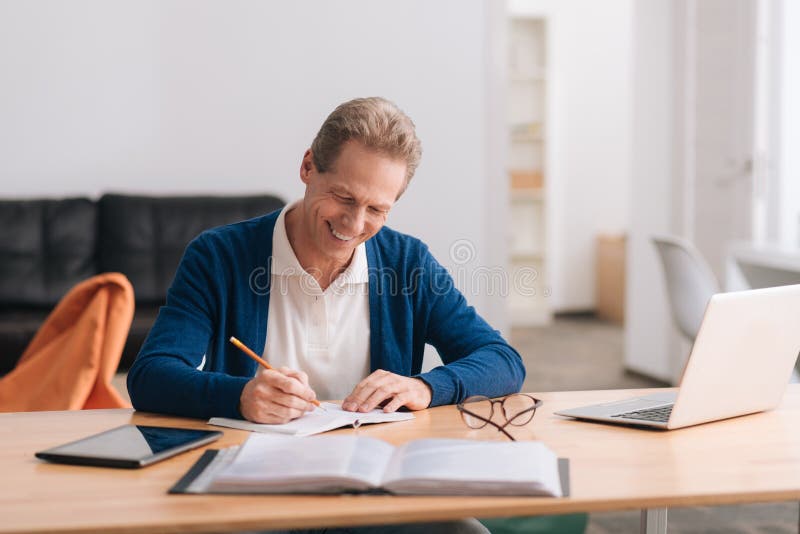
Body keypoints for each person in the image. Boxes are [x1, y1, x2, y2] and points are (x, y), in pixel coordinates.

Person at [128, 96, 524, 533]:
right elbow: (150, 376)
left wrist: (425, 386)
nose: (354, 225)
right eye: (344, 197)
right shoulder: (218, 256)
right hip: (252, 490)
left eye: (376, 210)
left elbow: (503, 360)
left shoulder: (407, 263)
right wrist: (240, 396)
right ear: (308, 167)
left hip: (375, 489)